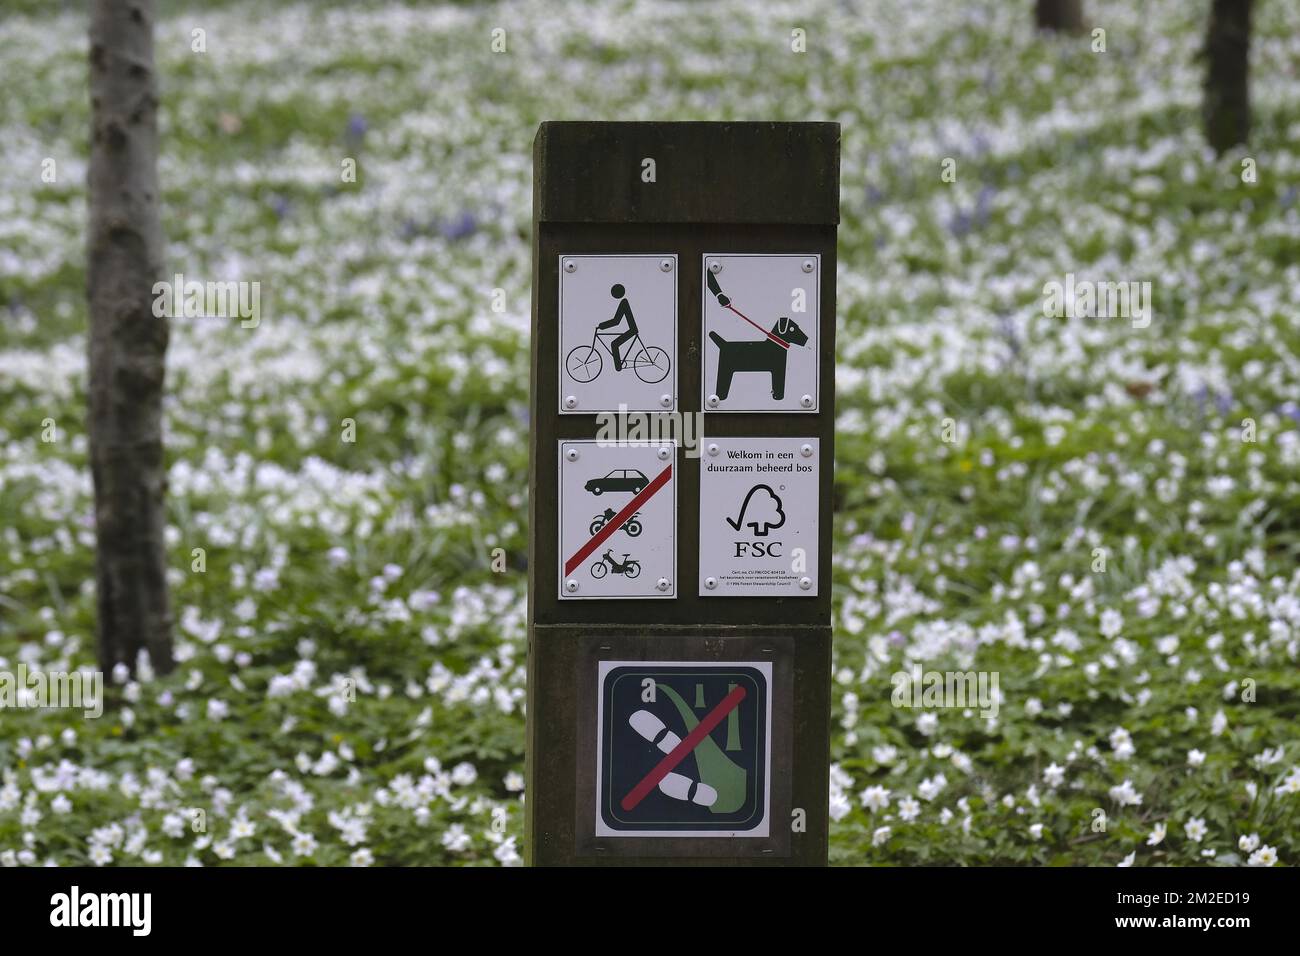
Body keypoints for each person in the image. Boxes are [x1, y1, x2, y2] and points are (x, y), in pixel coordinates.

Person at [598, 284, 638, 371]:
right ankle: (619, 365)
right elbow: (616, 321)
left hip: (632, 330)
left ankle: (618, 367)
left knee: (614, 344)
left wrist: (601, 326)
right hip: (632, 329)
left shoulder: (624, 302)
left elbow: (616, 321)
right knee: (615, 344)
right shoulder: (624, 302)